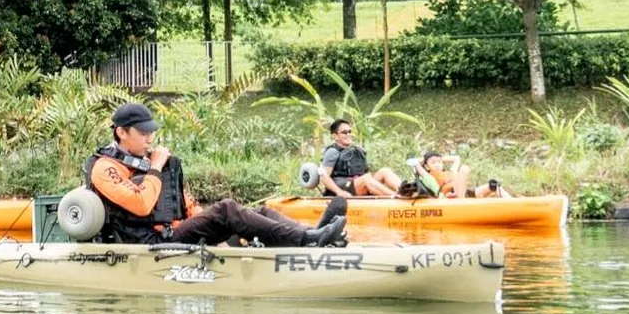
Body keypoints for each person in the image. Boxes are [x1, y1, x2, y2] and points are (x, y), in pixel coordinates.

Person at [88, 102, 345, 248]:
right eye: (143, 133)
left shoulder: (150, 161)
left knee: (258, 213)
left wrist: (212, 232)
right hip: (149, 243)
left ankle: (312, 234)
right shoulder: (106, 168)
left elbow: (187, 204)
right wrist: (155, 167)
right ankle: (306, 239)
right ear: (121, 133)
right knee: (226, 209)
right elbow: (141, 205)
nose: (149, 138)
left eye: (151, 132)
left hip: (174, 233)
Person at [319, 118, 405, 198]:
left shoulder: (355, 151)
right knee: (366, 179)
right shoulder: (332, 152)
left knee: (384, 171)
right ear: (335, 136)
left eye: (349, 132)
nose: (348, 134)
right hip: (343, 188)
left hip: (358, 185)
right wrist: (339, 192)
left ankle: (405, 190)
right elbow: (323, 176)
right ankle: (396, 197)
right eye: (344, 132)